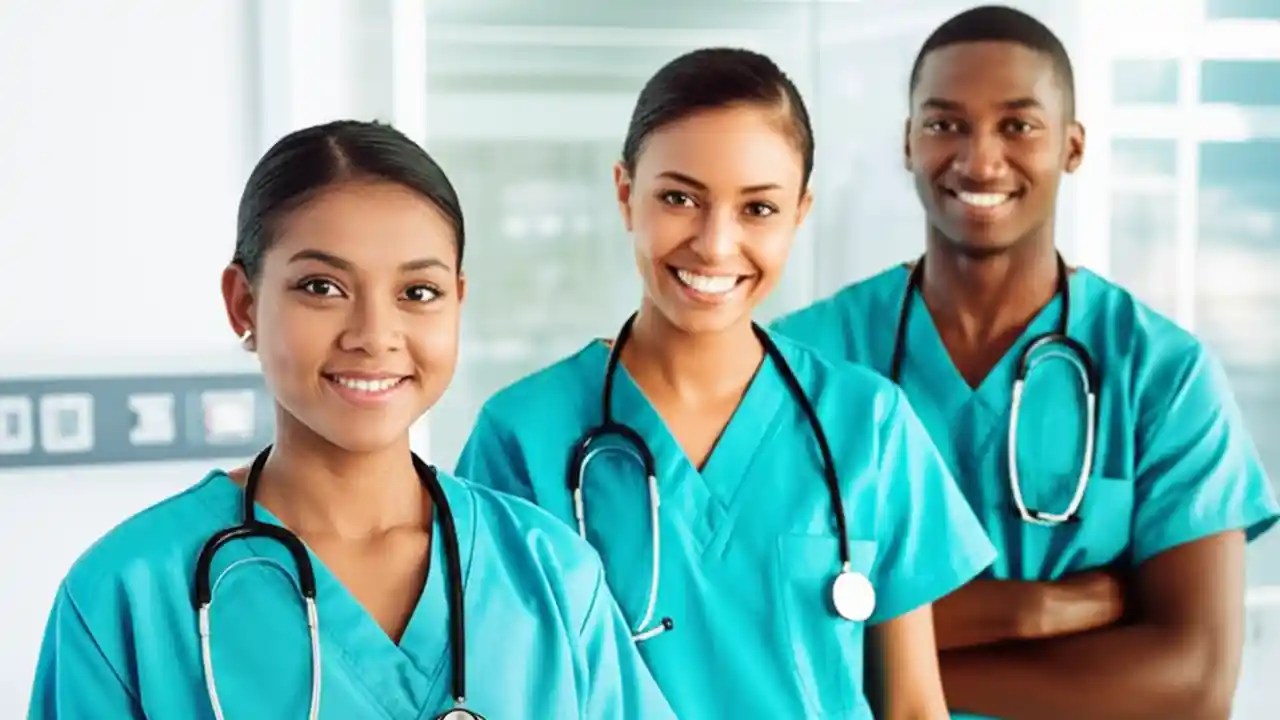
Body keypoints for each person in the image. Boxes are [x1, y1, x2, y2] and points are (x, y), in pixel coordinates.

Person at [27, 120, 675, 720]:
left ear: (457, 302)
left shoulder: (551, 575)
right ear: (243, 302)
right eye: (322, 288)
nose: (374, 334)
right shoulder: (127, 593)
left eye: (417, 293)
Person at [455, 47, 996, 719]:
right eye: (680, 198)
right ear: (626, 194)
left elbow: (914, 707)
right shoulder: (523, 435)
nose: (714, 244)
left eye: (757, 209)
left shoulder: (868, 423)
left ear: (800, 213)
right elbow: (497, 688)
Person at [772, 5, 1280, 719]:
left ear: (1072, 146)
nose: (980, 159)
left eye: (1019, 125)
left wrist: (870, 665)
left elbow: (1193, 683)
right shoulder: (805, 359)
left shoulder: (1162, 375)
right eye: (946, 123)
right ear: (908, 143)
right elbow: (761, 622)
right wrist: (1041, 608)